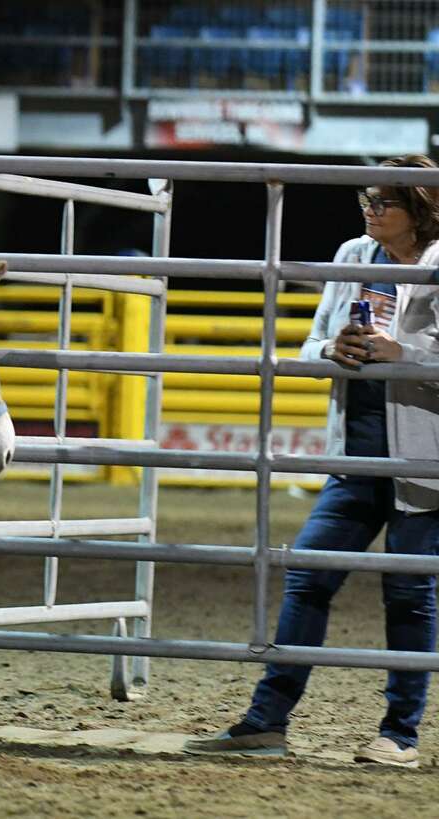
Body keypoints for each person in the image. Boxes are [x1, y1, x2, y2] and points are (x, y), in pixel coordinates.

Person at [184, 154, 439, 768]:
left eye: (383, 203)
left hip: (425, 461)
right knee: (308, 574)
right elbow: (308, 344)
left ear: (420, 207)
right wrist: (333, 347)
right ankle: (267, 721)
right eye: (365, 201)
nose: (370, 212)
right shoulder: (352, 255)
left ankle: (400, 735)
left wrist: (399, 350)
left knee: (408, 592)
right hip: (354, 455)